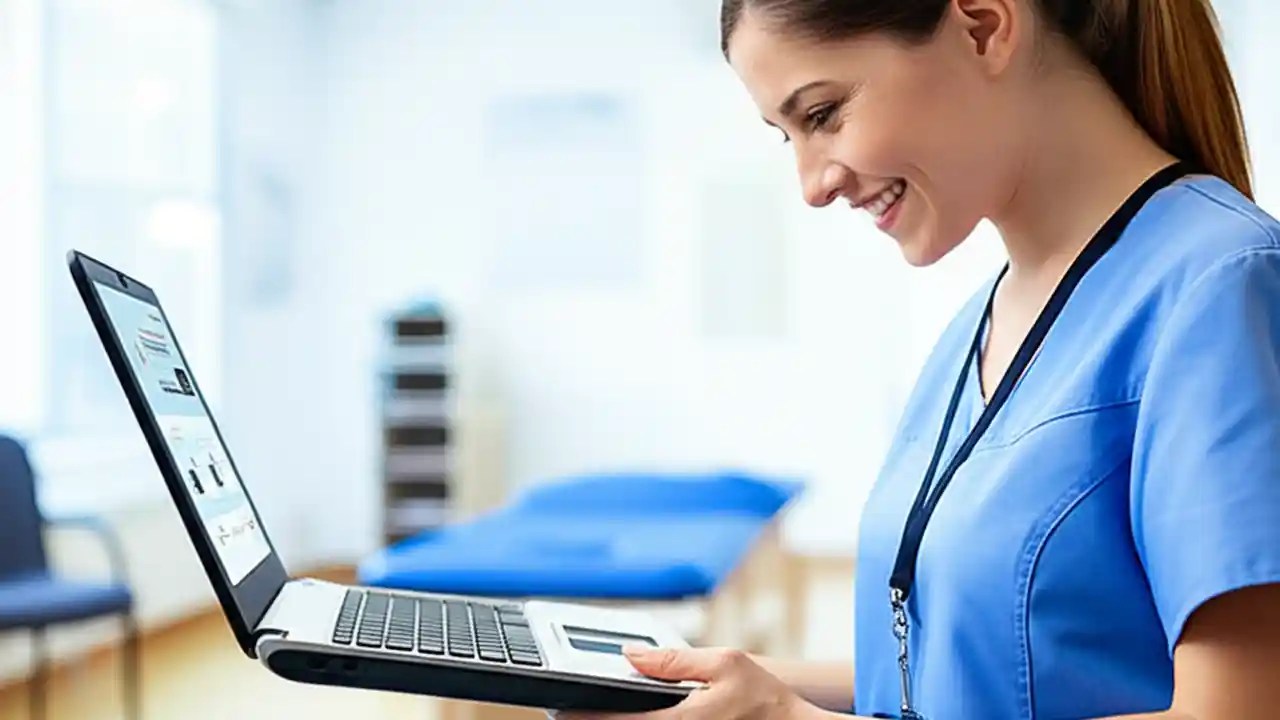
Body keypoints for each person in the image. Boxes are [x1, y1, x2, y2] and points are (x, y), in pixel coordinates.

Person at [558, 0, 1280, 718]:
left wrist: (784, 718)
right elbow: (966, 672)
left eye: (822, 113)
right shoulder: (981, 327)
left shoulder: (1219, 288)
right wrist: (719, 687)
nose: (813, 186)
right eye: (789, 138)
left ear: (983, 27)